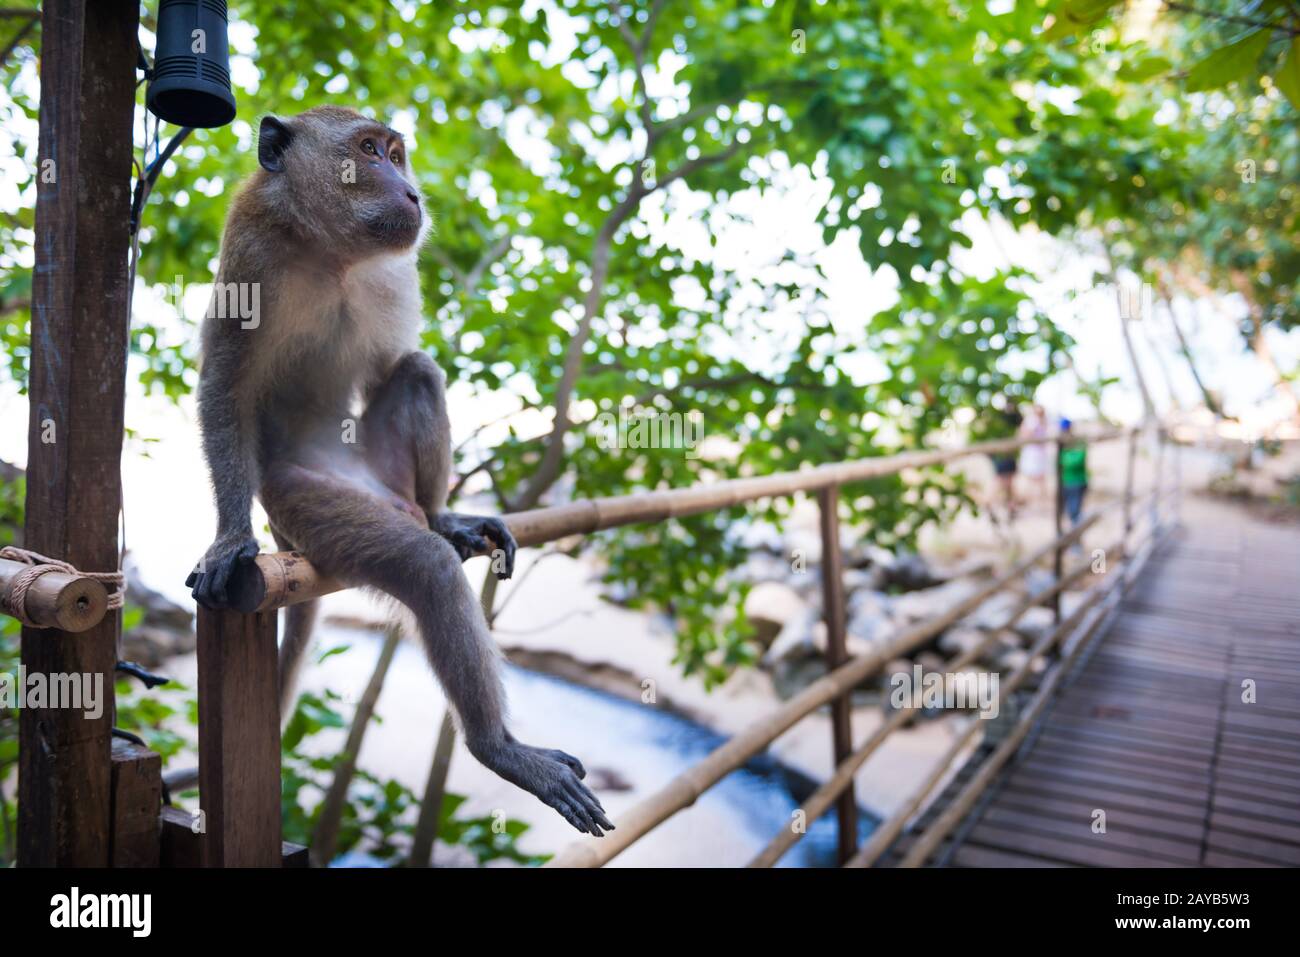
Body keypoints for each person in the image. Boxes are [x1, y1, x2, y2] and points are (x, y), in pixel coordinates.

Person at [986, 402, 1024, 520]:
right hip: (1003, 458)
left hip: (1007, 458)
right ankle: (991, 504)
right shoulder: (1002, 424)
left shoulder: (1008, 423)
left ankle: (1007, 507)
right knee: (1002, 484)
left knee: (1007, 485)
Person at [1058, 418, 1089, 527]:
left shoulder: (1078, 443)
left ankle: (1076, 537)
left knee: (1075, 511)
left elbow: (1076, 462)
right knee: (1069, 511)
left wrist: (1063, 458)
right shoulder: (1061, 444)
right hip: (1066, 482)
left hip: (1077, 481)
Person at [1018, 404, 1050, 505]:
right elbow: (1024, 434)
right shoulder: (1031, 421)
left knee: (1040, 478)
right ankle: (1028, 500)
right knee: (1031, 478)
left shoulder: (1043, 420)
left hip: (1039, 453)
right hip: (1032, 453)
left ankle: (1042, 500)